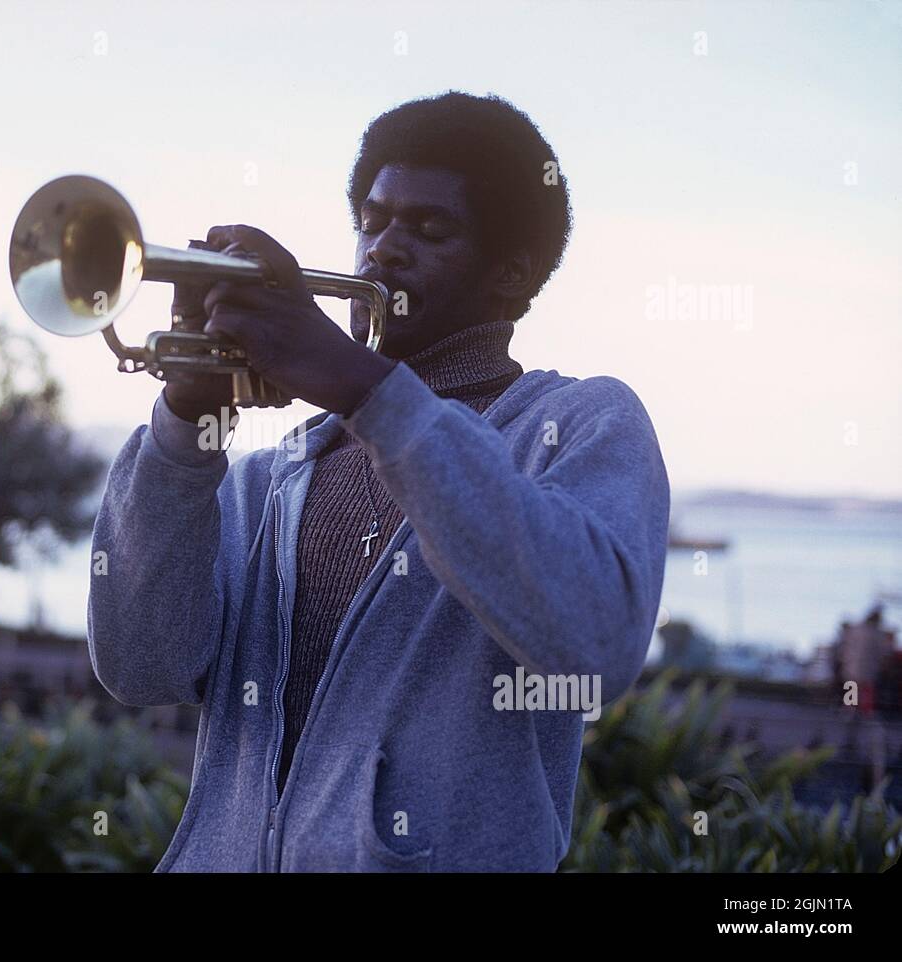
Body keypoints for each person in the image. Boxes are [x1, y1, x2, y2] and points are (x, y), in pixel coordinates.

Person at [87, 91, 671, 871]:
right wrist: (184, 424)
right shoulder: (273, 476)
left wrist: (361, 384)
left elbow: (596, 641)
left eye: (430, 230)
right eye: (372, 220)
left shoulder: (578, 423)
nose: (384, 249)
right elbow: (141, 667)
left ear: (513, 273)